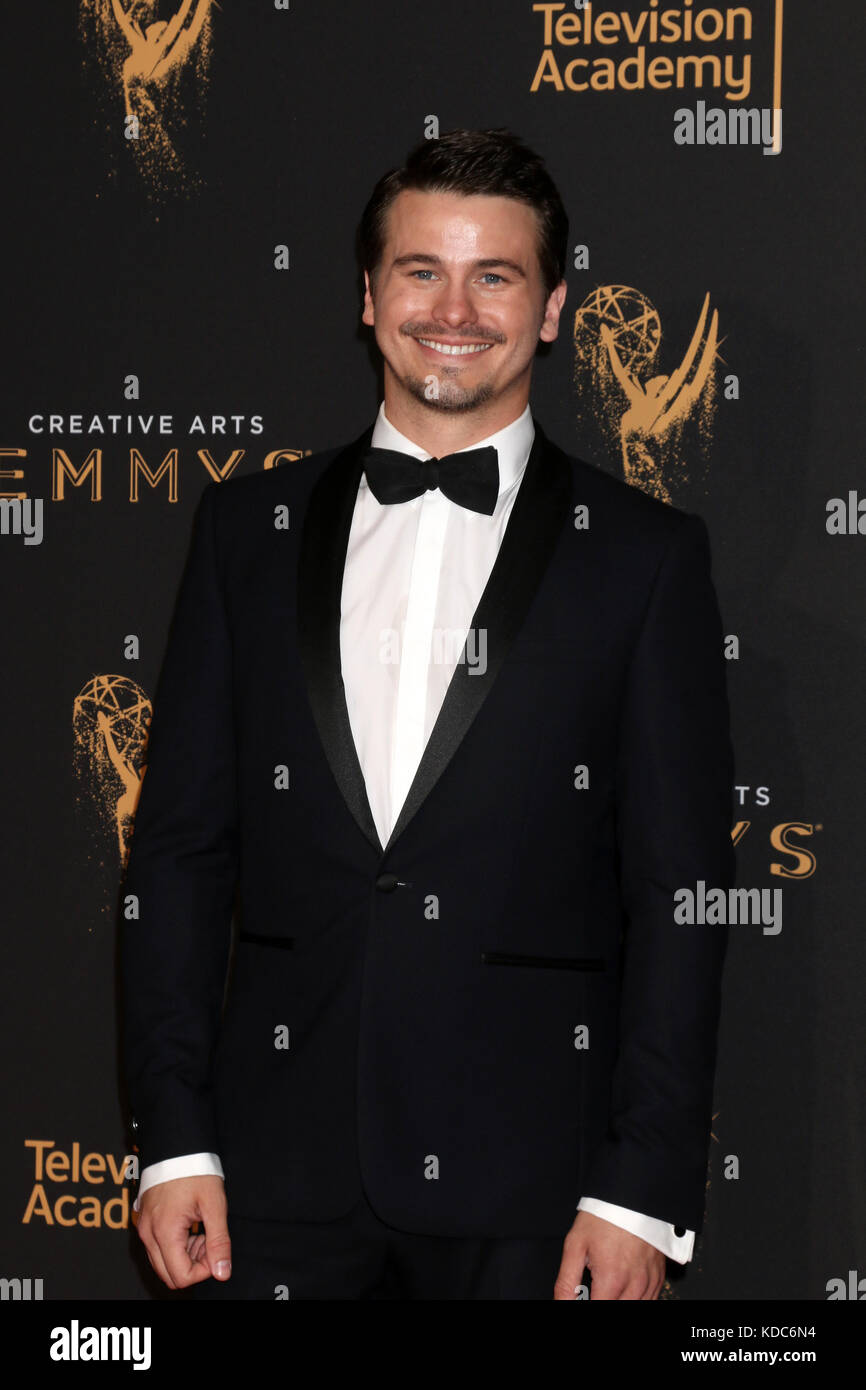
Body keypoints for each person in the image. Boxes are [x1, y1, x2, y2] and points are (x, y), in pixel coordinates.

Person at [121, 127, 735, 1300]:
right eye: (419, 270)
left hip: (536, 1198)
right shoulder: (244, 536)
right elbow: (181, 858)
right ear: (366, 294)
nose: (452, 308)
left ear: (551, 307)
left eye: (493, 275)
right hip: (269, 1184)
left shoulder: (644, 562)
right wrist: (175, 1137)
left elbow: (677, 894)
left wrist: (638, 1190)